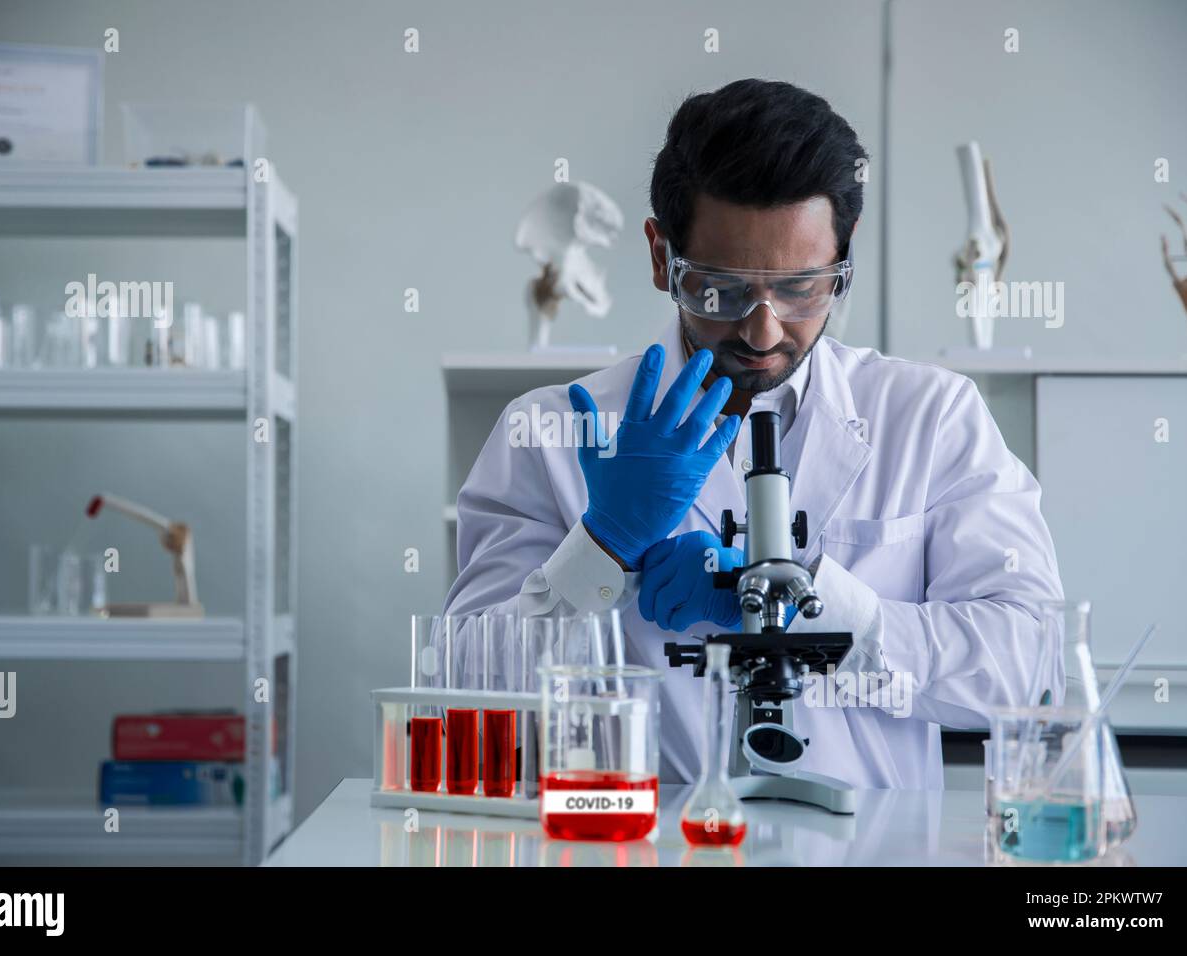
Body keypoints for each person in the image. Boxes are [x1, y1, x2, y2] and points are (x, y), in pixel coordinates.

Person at [445, 78, 1063, 787]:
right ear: (660, 256)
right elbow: (467, 687)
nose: (763, 328)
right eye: (722, 288)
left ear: (845, 255)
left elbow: (1028, 668)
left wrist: (803, 601)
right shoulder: (550, 431)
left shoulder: (931, 417)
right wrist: (602, 547)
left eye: (803, 287)